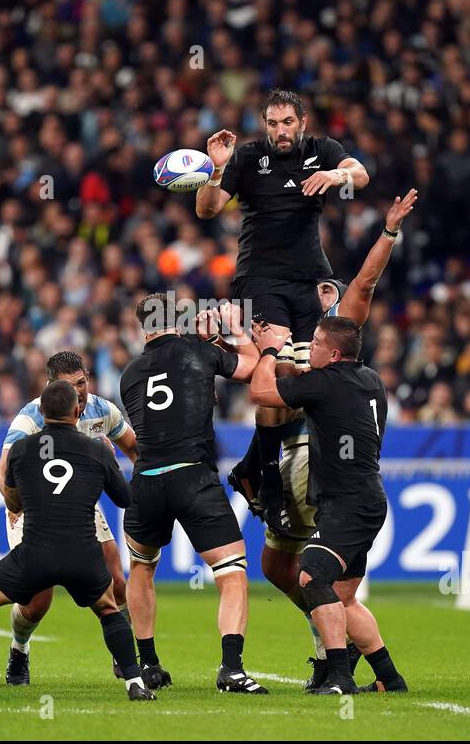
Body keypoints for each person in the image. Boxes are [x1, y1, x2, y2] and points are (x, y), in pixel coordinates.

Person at [229, 189, 418, 689]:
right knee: (280, 566)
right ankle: (372, 667)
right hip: (296, 452)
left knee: (310, 574)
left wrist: (389, 232)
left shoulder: (331, 338)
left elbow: (367, 279)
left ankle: (331, 659)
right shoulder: (316, 343)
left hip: (311, 456)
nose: (321, 292)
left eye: (327, 289)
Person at [197, 89, 370, 530]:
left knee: (309, 378)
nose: (280, 132)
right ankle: (270, 482)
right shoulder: (249, 158)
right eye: (273, 124)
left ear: (302, 122)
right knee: (273, 371)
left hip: (311, 280)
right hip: (260, 280)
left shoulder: (322, 152)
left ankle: (251, 470)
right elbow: (208, 209)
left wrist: (335, 177)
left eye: (287, 123)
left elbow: (361, 174)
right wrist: (215, 168)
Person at [0, 380, 153, 702]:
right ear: (77, 410)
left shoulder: (22, 449)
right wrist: (109, 464)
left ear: (42, 411)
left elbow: (13, 502)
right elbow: (124, 498)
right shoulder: (98, 448)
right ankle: (135, 684)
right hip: (82, 554)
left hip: (35, 553)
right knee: (110, 610)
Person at [248, 316, 408, 694]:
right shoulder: (369, 378)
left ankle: (339, 676)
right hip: (366, 497)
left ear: (334, 353)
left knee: (311, 576)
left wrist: (270, 351)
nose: (310, 349)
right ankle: (389, 677)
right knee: (343, 599)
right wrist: (301, 365)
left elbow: (261, 393)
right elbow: (318, 376)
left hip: (347, 504)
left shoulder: (323, 384)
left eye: (316, 343)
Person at [118, 293, 267, 693]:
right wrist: (233, 332)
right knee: (232, 573)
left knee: (142, 568)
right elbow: (252, 367)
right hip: (192, 476)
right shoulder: (197, 351)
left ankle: (147, 665)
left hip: (146, 478)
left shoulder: (130, 374)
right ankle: (231, 670)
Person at [0, 351, 138, 684]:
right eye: (71, 387)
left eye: (83, 382)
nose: (80, 392)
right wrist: (15, 506)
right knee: (37, 600)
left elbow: (134, 449)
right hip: (34, 507)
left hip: (78, 505)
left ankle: (129, 656)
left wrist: (148, 479)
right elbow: (2, 473)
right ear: (52, 389)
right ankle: (19, 648)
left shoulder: (104, 411)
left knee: (116, 579)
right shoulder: (30, 418)